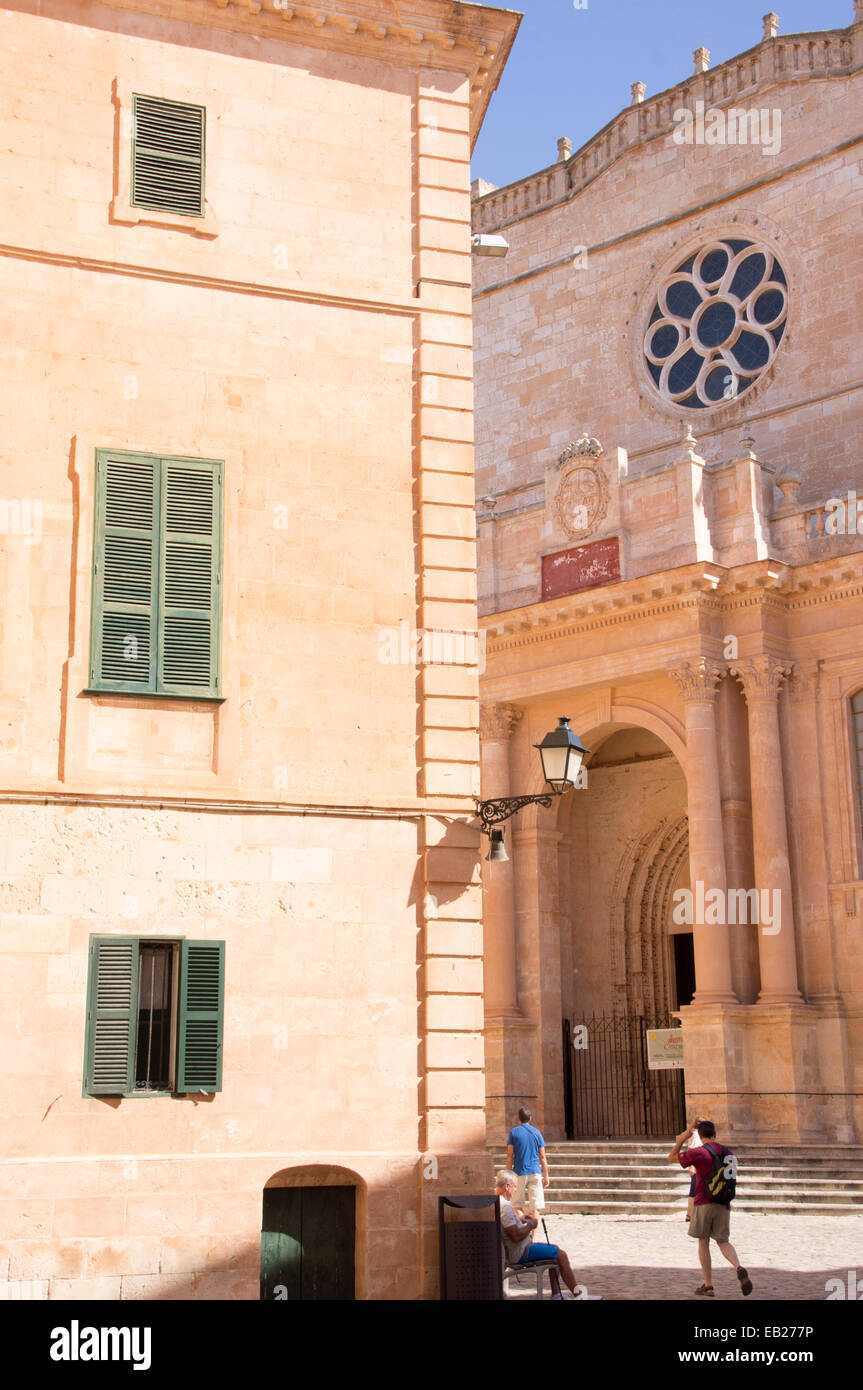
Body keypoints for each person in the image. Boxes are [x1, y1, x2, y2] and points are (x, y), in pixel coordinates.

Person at [668, 1119, 753, 1298]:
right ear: (715, 1135)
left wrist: (683, 1138)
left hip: (703, 1202)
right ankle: (738, 1267)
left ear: (700, 1135)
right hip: (723, 1203)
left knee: (703, 1242)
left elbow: (672, 1157)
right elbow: (732, 1177)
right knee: (723, 1241)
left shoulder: (698, 1153)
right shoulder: (728, 1153)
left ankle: (708, 1286)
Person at [494, 1169, 599, 1300]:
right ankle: (578, 1295)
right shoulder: (505, 1207)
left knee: (554, 1250)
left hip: (517, 1250)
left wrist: (520, 1220)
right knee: (560, 1254)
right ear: (507, 1187)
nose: (516, 1190)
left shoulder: (496, 1202)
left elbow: (509, 1226)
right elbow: (515, 1236)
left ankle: (556, 1294)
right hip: (520, 1252)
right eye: (515, 1186)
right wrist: (531, 1225)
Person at [506, 1106, 549, 1217]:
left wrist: (508, 1175)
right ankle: (533, 1234)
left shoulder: (513, 1132)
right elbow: (543, 1156)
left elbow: (510, 1156)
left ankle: (524, 1229)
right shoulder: (537, 1133)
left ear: (518, 1119)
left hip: (519, 1172)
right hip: (535, 1171)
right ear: (530, 1118)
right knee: (536, 1208)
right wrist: (546, 1176)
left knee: (516, 1205)